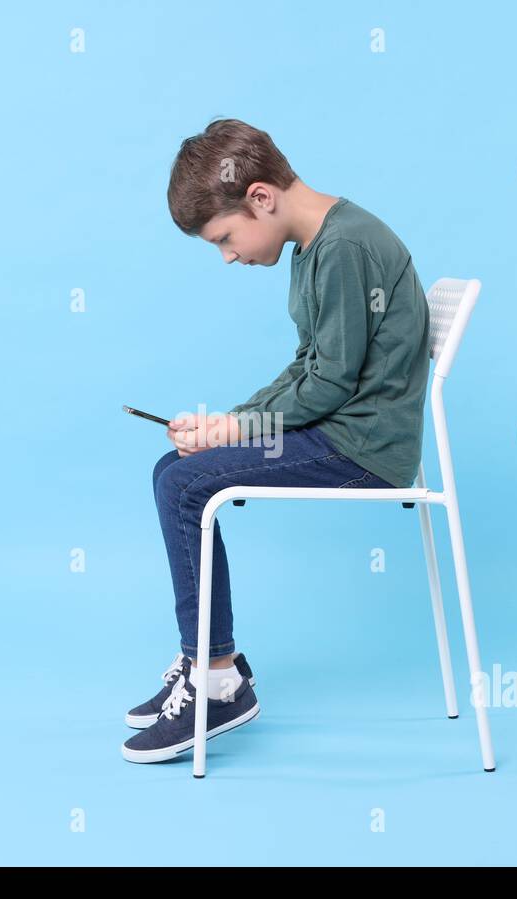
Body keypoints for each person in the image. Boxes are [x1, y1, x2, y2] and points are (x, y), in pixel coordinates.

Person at [122, 118, 431, 764]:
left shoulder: (344, 248)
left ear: (260, 198)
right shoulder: (315, 248)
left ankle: (218, 680)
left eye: (225, 238)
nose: (229, 255)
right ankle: (207, 660)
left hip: (362, 451)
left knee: (183, 483)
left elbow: (326, 389)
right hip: (339, 431)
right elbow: (307, 371)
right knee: (171, 469)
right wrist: (224, 423)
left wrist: (234, 429)